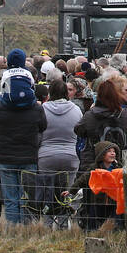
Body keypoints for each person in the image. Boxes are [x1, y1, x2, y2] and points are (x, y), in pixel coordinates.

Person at [0, 69, 48, 224]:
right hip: (28, 156)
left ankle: (13, 231)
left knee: (10, 199)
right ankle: (26, 230)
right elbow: (43, 126)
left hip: (6, 157)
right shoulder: (36, 108)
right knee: (26, 197)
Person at [37, 78, 82, 208]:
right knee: (68, 192)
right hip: (70, 155)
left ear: (50, 92)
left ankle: (47, 222)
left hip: (46, 156)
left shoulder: (43, 109)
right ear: (66, 93)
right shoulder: (76, 110)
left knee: (48, 193)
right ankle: (65, 219)